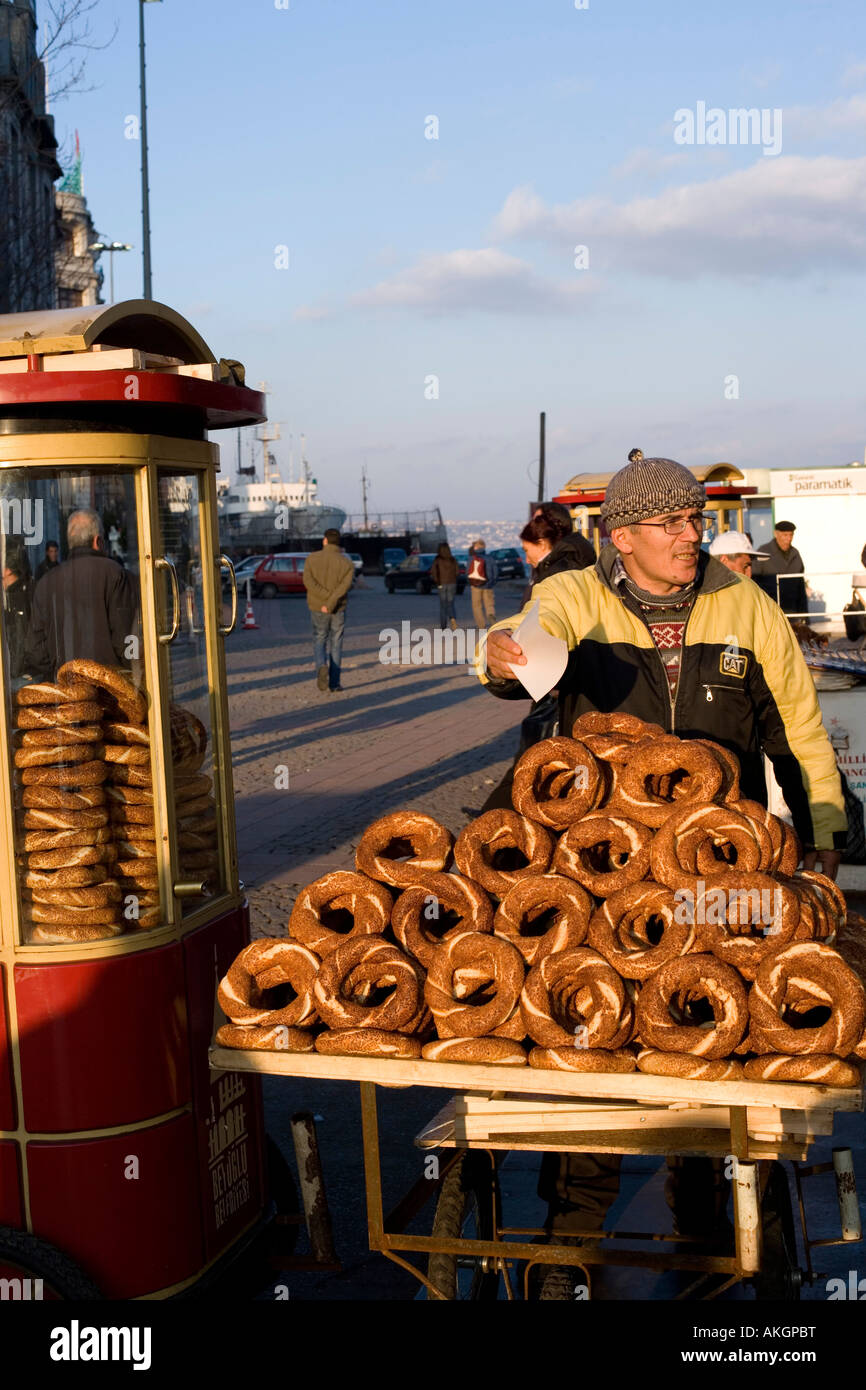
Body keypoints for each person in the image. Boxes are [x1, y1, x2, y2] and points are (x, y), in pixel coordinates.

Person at [478, 456, 846, 1263]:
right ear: (622, 537)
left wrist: (826, 833)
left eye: (695, 519)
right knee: (595, 1052)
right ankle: (568, 1247)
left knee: (704, 1043)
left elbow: (800, 733)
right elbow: (528, 644)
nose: (691, 536)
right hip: (599, 878)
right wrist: (504, 656)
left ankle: (710, 1233)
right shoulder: (578, 595)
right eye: (671, 523)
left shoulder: (745, 605)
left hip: (717, 875)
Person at [24, 510, 139, 681]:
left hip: (66, 692)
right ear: (97, 541)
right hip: (110, 690)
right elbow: (128, 640)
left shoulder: (45, 583)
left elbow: (34, 649)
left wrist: (60, 672)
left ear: (70, 543)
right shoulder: (116, 574)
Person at [302, 527, 355, 693]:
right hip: (338, 608)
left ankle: (321, 666)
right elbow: (344, 588)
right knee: (336, 644)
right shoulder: (347, 563)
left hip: (317, 606)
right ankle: (334, 683)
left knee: (319, 639)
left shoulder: (311, 559)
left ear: (325, 540)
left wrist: (324, 600)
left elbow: (308, 582)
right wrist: (331, 602)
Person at [755, 521, 807, 615]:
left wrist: (804, 615)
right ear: (776, 534)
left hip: (792, 610)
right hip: (770, 610)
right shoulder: (763, 553)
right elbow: (754, 581)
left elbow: (801, 587)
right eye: (785, 535)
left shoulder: (795, 554)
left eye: (791, 535)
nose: (788, 539)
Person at [3, 545, 32, 679]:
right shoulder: (21, 593)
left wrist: (13, 674)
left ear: (7, 570)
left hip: (18, 674)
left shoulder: (15, 598)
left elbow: (19, 639)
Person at [466, 540, 497, 629]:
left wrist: (470, 583)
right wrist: (492, 582)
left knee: (477, 606)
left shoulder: (471, 558)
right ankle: (491, 616)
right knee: (489, 604)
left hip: (475, 585)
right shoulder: (490, 558)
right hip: (488, 585)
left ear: (476, 548)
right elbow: (495, 572)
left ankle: (481, 625)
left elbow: (467, 572)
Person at [430, 542, 459, 631]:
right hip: (452, 583)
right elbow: (457, 572)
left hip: (441, 584)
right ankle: (453, 619)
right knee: (451, 603)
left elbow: (433, 572)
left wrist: (436, 581)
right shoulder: (452, 559)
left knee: (443, 605)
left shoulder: (437, 560)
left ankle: (443, 625)